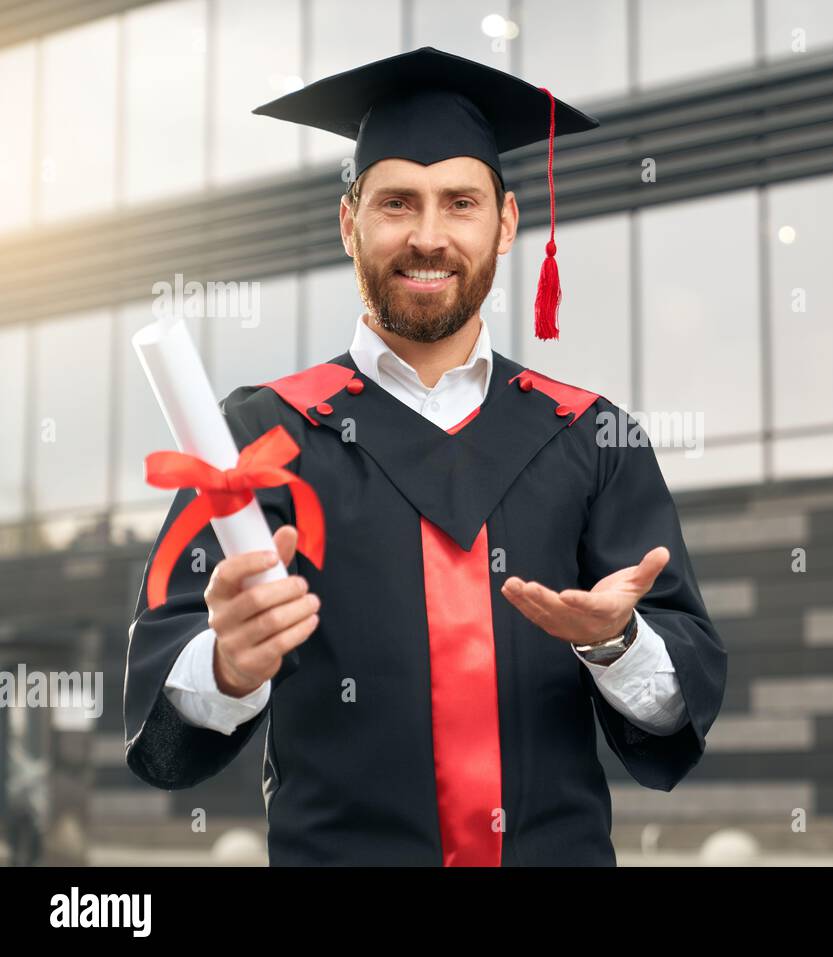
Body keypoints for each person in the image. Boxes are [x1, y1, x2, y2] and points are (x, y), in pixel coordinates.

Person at [123, 47, 726, 866]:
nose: (429, 236)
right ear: (350, 222)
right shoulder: (263, 435)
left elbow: (674, 713)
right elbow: (166, 699)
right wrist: (230, 663)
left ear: (507, 224)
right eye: (397, 202)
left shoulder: (590, 436)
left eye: (461, 203)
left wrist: (615, 640)